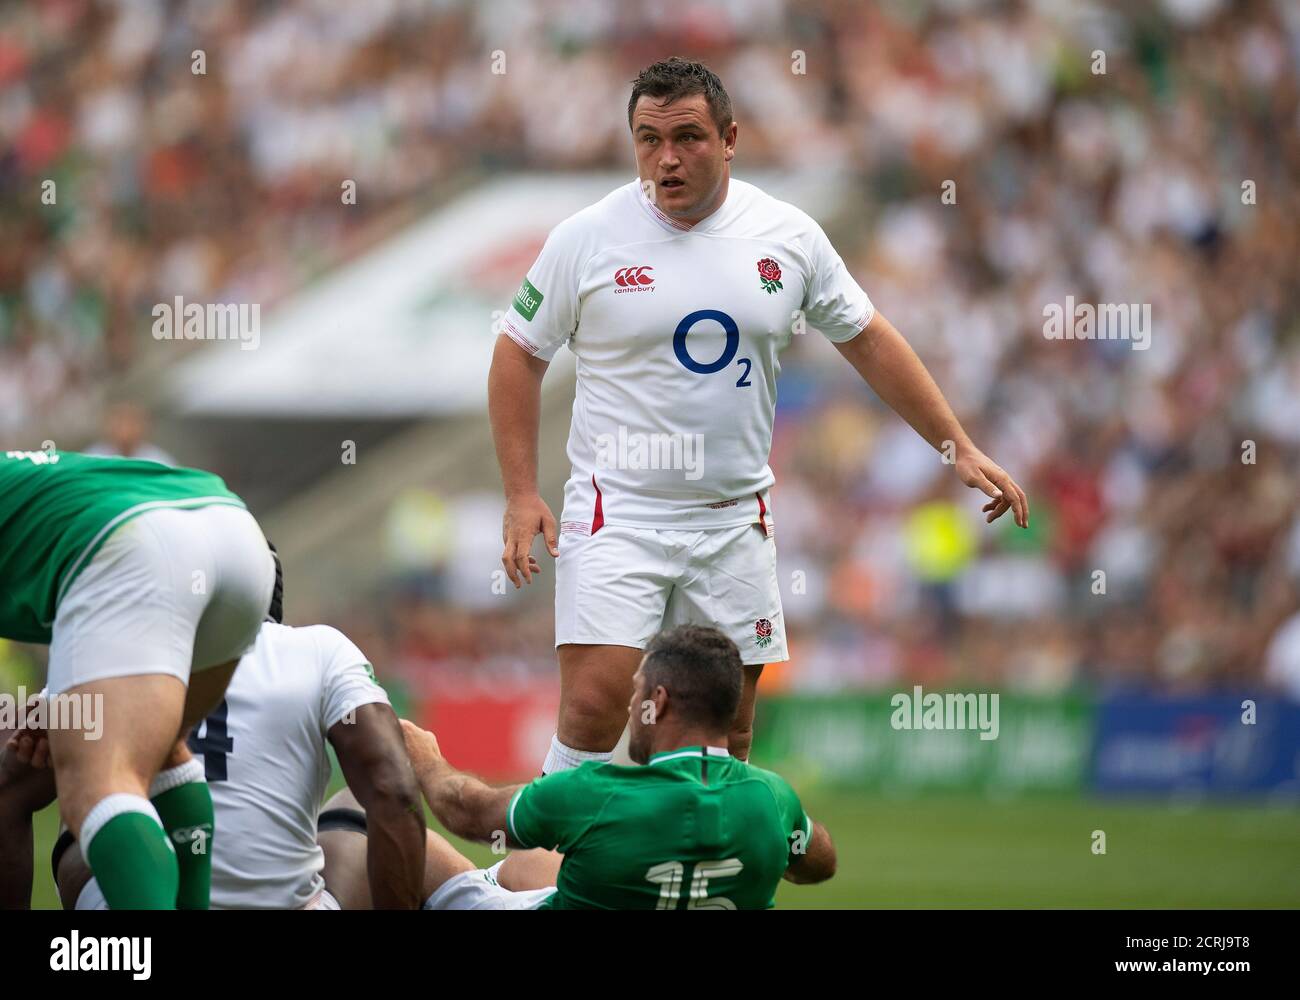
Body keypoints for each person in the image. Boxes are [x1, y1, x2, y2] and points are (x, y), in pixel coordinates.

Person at [488, 57, 1029, 775]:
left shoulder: (789, 237)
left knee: (730, 732)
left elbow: (866, 337)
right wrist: (522, 494)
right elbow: (517, 352)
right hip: (616, 508)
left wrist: (954, 443)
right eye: (649, 140)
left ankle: (704, 881)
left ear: (731, 137)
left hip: (731, 517)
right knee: (594, 709)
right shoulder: (586, 238)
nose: (667, 158)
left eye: (687, 137)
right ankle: (546, 877)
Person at [0, 547, 427, 909]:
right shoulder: (319, 649)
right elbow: (394, 789)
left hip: (135, 920)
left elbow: (9, 784)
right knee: (352, 806)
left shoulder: (119, 651)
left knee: (89, 796)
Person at [0, 448, 275, 908]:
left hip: (131, 542)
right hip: (232, 529)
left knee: (97, 787)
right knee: (167, 750)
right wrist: (66, 703)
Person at [401, 625, 837, 909]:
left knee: (379, 833)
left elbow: (467, 810)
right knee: (526, 865)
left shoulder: (595, 794)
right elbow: (821, 862)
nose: (631, 706)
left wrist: (424, 756)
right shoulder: (773, 800)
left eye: (637, 692)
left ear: (658, 701)